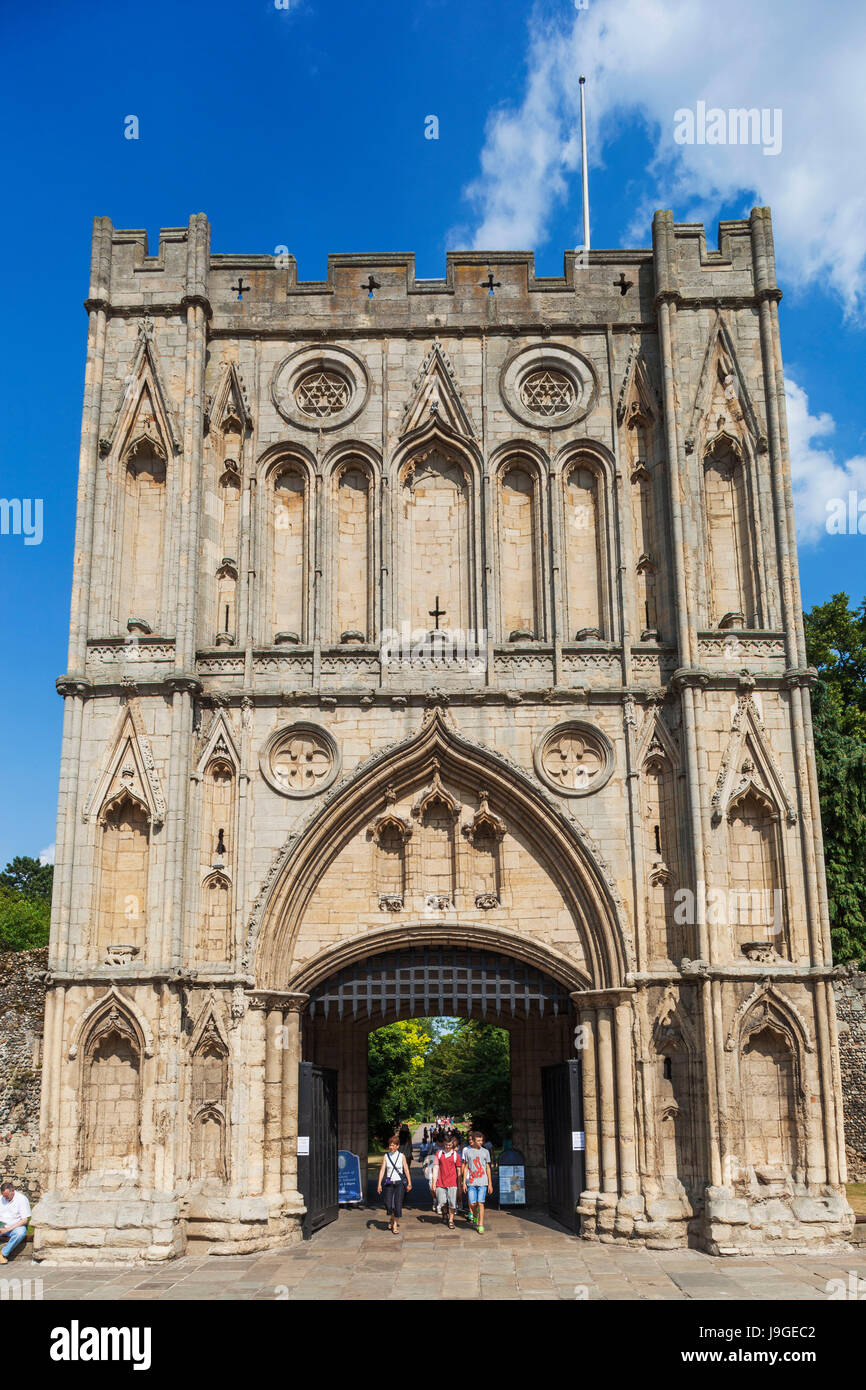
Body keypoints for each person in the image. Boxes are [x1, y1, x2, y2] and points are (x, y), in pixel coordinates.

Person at [377, 1136, 411, 1233]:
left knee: (397, 1205)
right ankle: (391, 1218)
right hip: (389, 1182)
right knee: (388, 1204)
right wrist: (379, 1184)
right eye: (390, 1145)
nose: (391, 1147)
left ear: (397, 1146)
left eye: (393, 1145)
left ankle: (395, 1225)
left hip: (399, 1183)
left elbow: (406, 1170)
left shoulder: (401, 1156)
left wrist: (409, 1182)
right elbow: (382, 1170)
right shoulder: (386, 1156)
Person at [462, 1130, 492, 1233]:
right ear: (473, 1141)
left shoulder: (485, 1152)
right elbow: (465, 1167)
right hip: (471, 1182)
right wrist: (463, 1182)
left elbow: (488, 1168)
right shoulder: (468, 1152)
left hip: (483, 1182)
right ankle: (475, 1215)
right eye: (478, 1141)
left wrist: (490, 1183)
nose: (480, 1142)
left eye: (481, 1141)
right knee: (473, 1203)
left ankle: (481, 1225)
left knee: (480, 1203)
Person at [432, 1133, 461, 1230]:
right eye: (446, 1145)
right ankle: (445, 1213)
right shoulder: (438, 1154)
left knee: (452, 1203)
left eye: (449, 1145)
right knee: (442, 1201)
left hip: (452, 1182)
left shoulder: (456, 1155)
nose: (447, 1147)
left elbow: (458, 1170)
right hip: (441, 1182)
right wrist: (433, 1182)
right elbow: (435, 1167)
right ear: (443, 1144)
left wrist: (460, 1184)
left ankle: (451, 1220)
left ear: (452, 1144)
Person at [0, 1182, 31, 1263]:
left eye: (7, 1196)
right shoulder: (1, 1199)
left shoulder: (22, 1199)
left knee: (20, 1233)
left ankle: (3, 1254)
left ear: (12, 1191)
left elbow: (24, 1220)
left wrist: (8, 1229)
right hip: (2, 1225)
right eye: (4, 1196)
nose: (5, 1198)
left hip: (15, 1227)